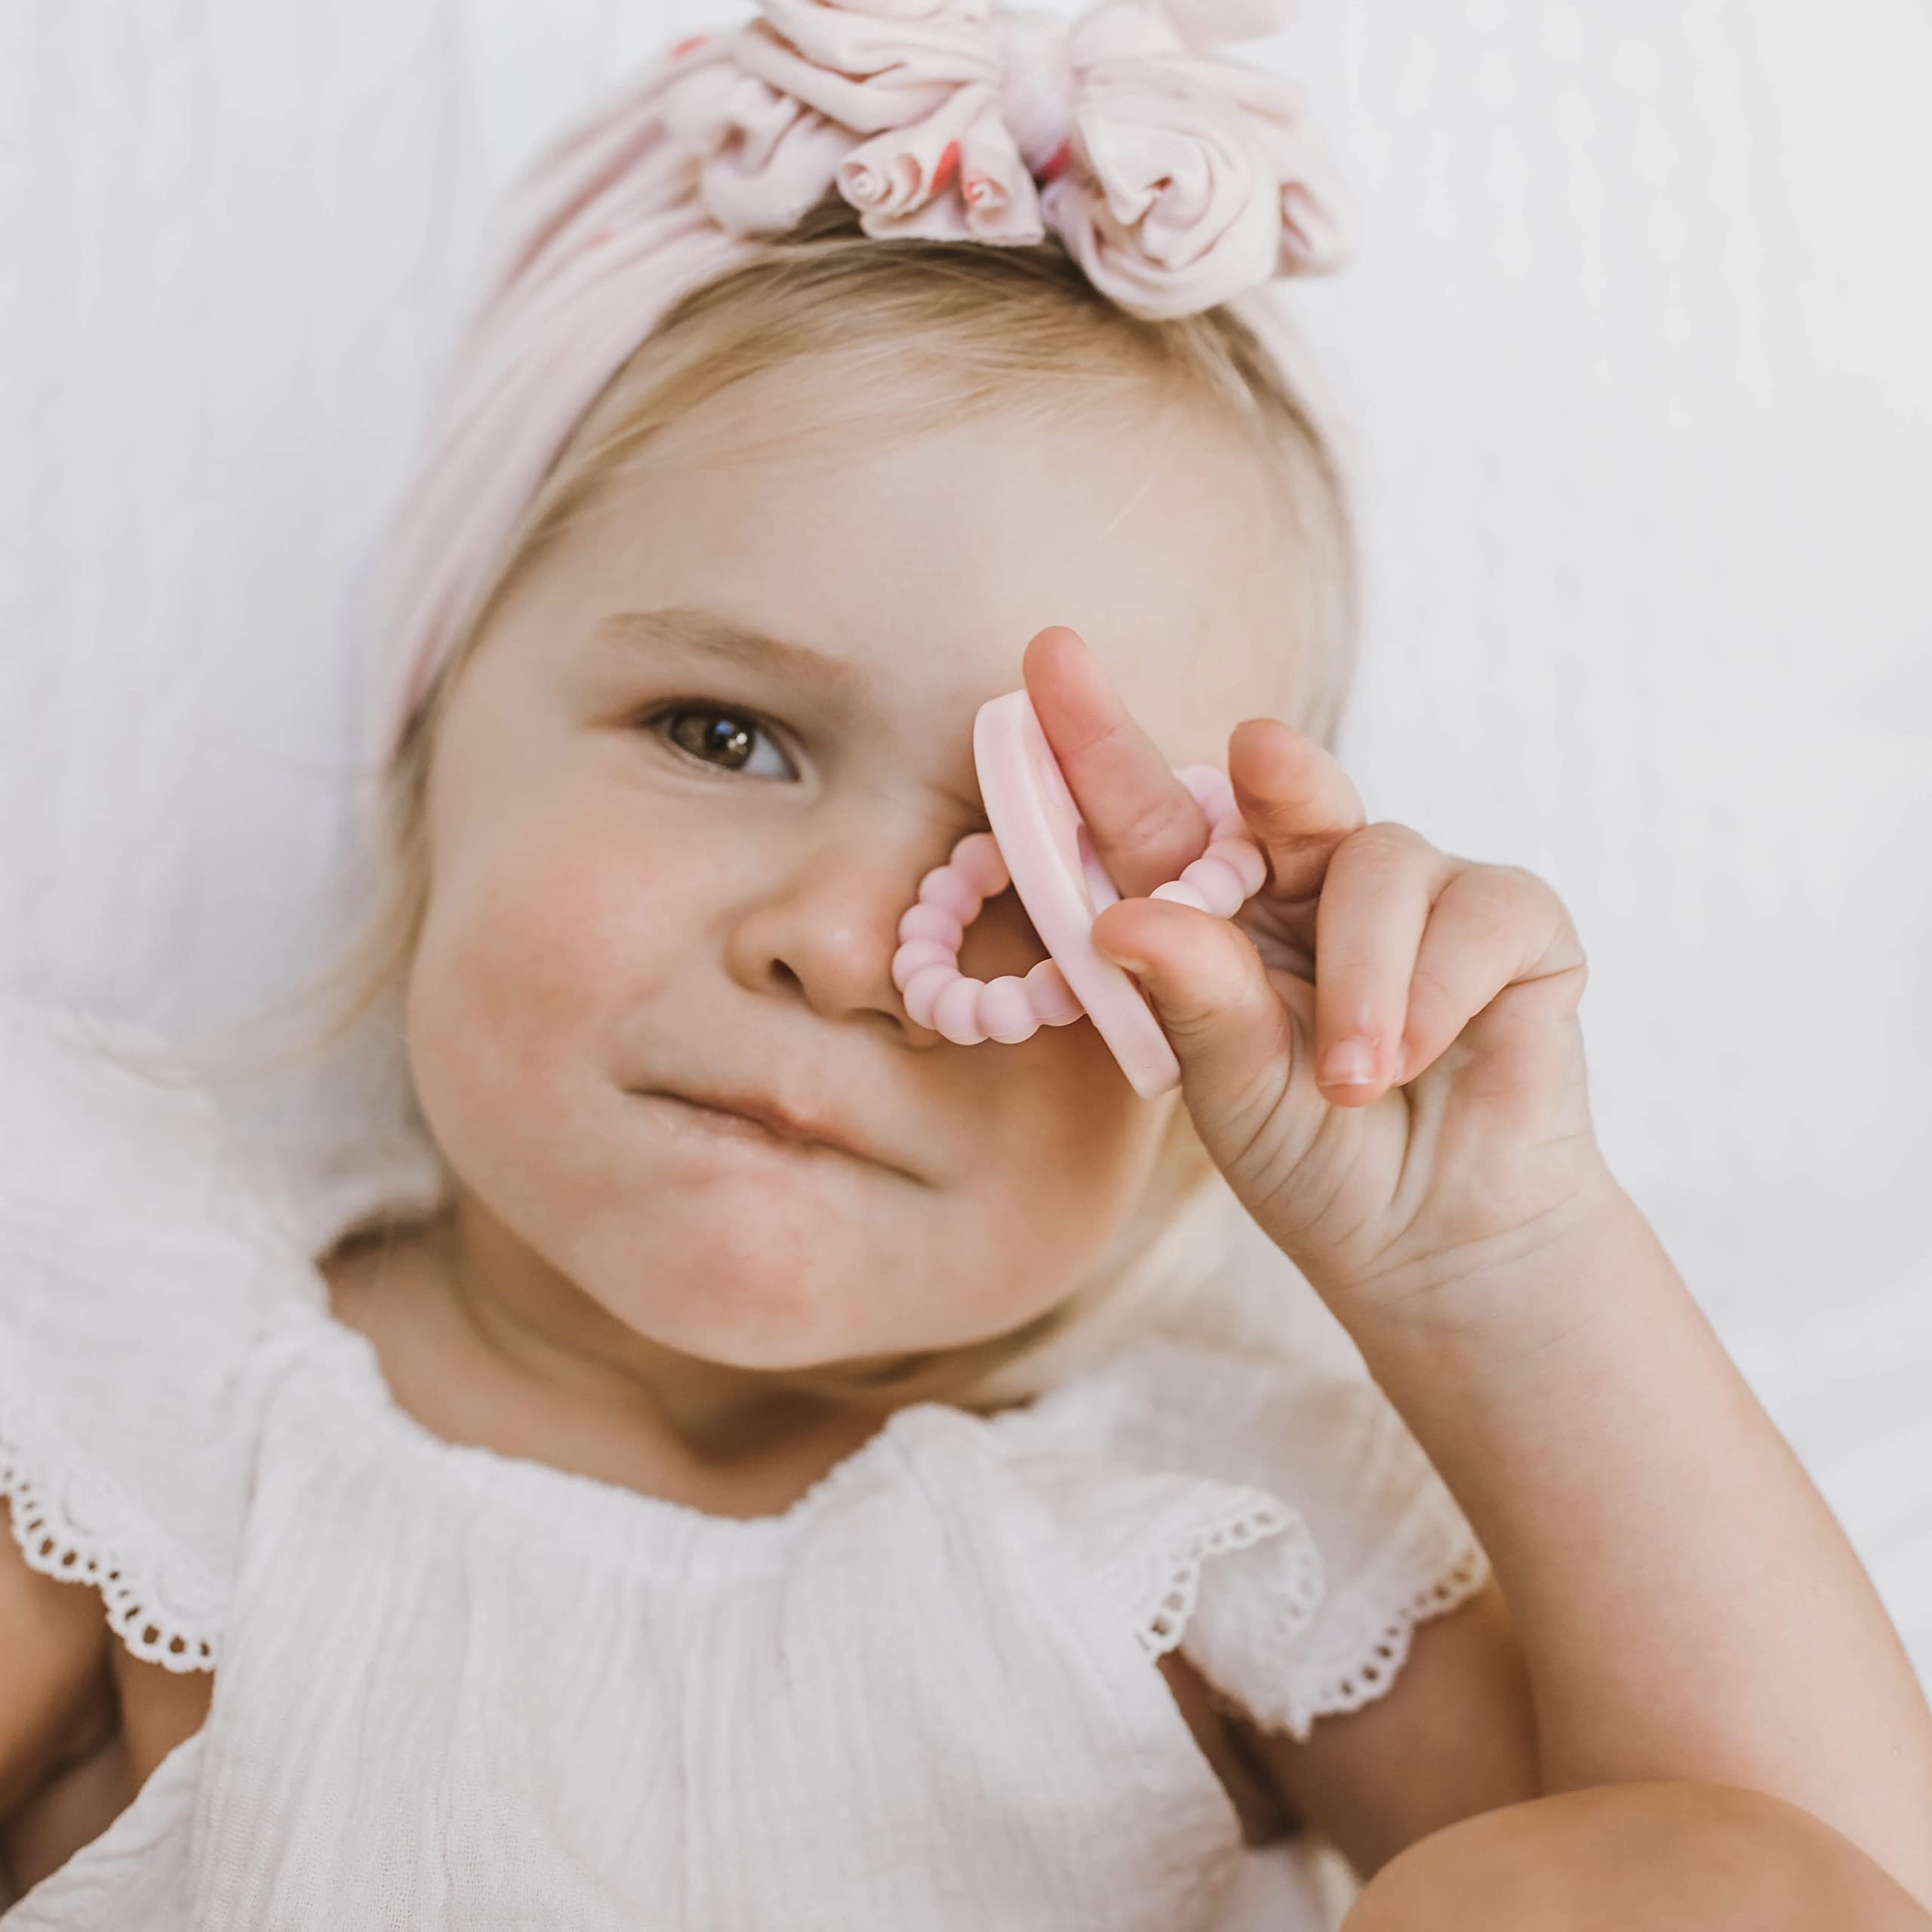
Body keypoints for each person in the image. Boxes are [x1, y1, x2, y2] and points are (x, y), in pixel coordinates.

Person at [3, 2, 1930, 1925]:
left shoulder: (1213, 1516)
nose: (847, 950)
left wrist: (1493, 1270)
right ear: (428, 758)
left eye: (1045, 860)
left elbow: (1813, 1887)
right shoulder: (137, 1418)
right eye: (719, 733)